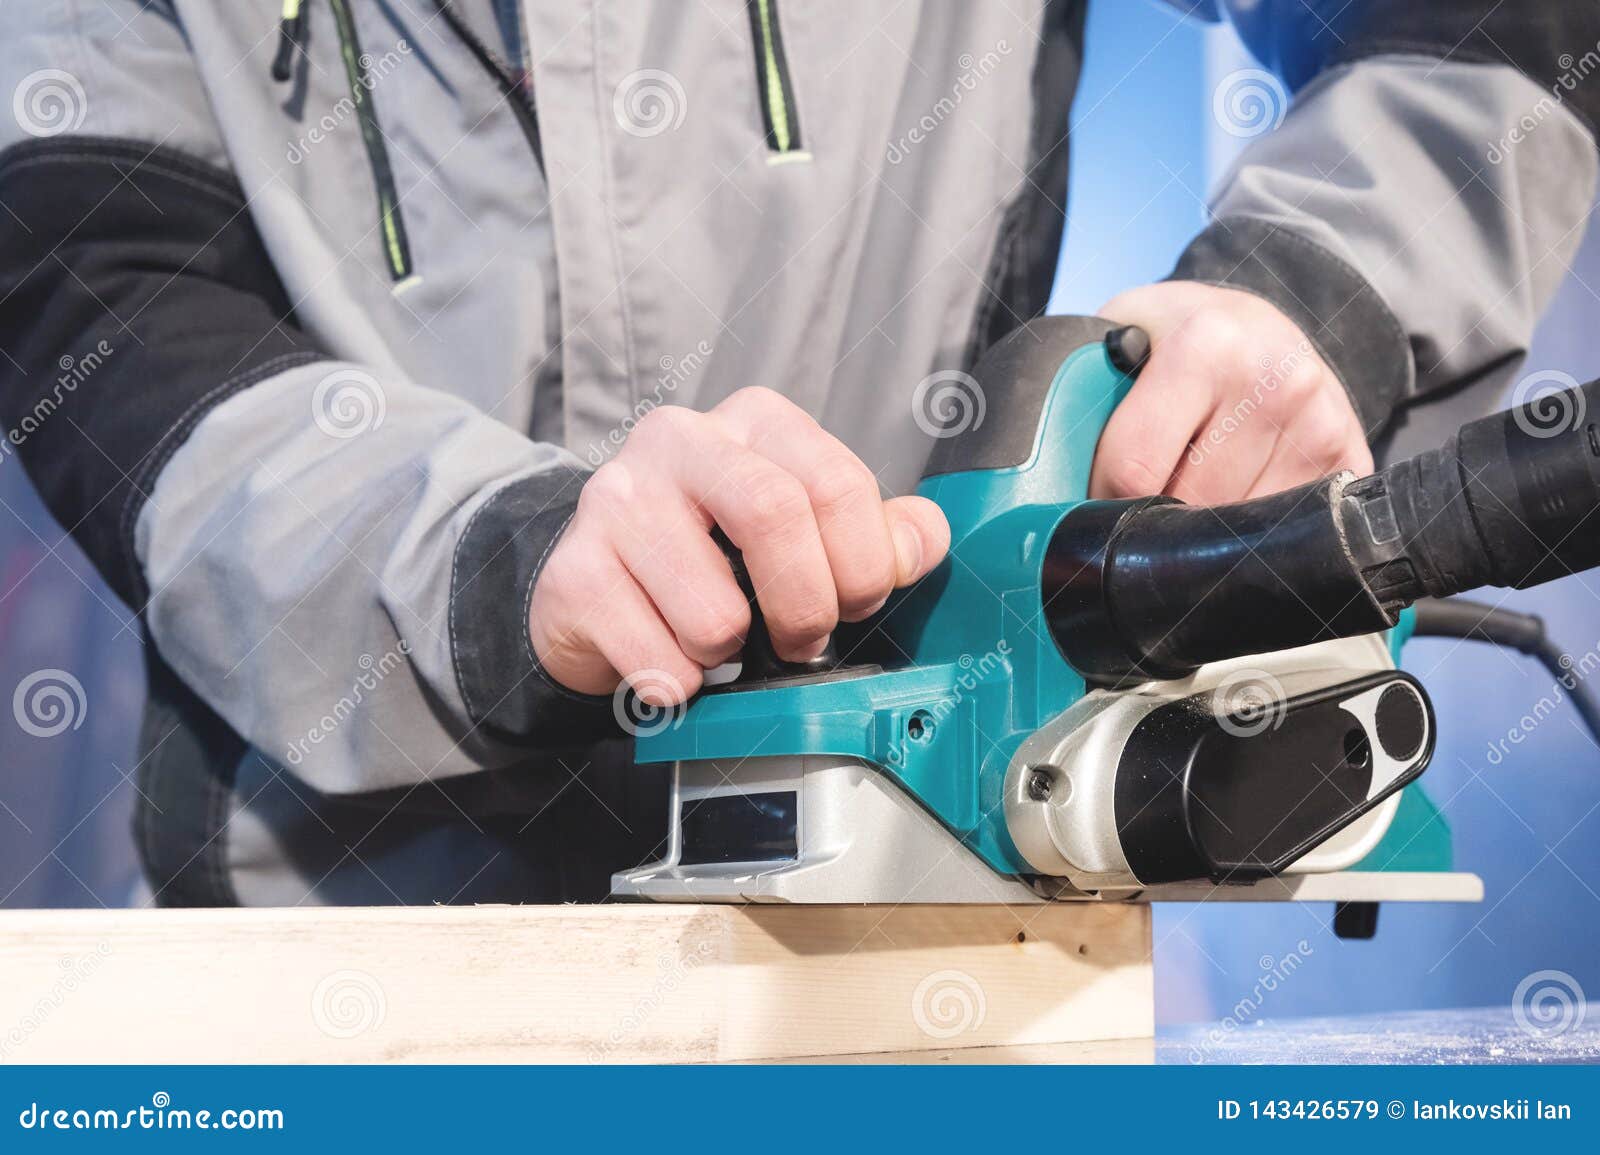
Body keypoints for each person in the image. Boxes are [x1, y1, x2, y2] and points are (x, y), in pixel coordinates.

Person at [0, 1, 1593, 905]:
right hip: (331, 922)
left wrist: (1315, 293)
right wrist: (486, 566)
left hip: (940, 907)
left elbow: (1504, 35)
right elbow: (94, 299)